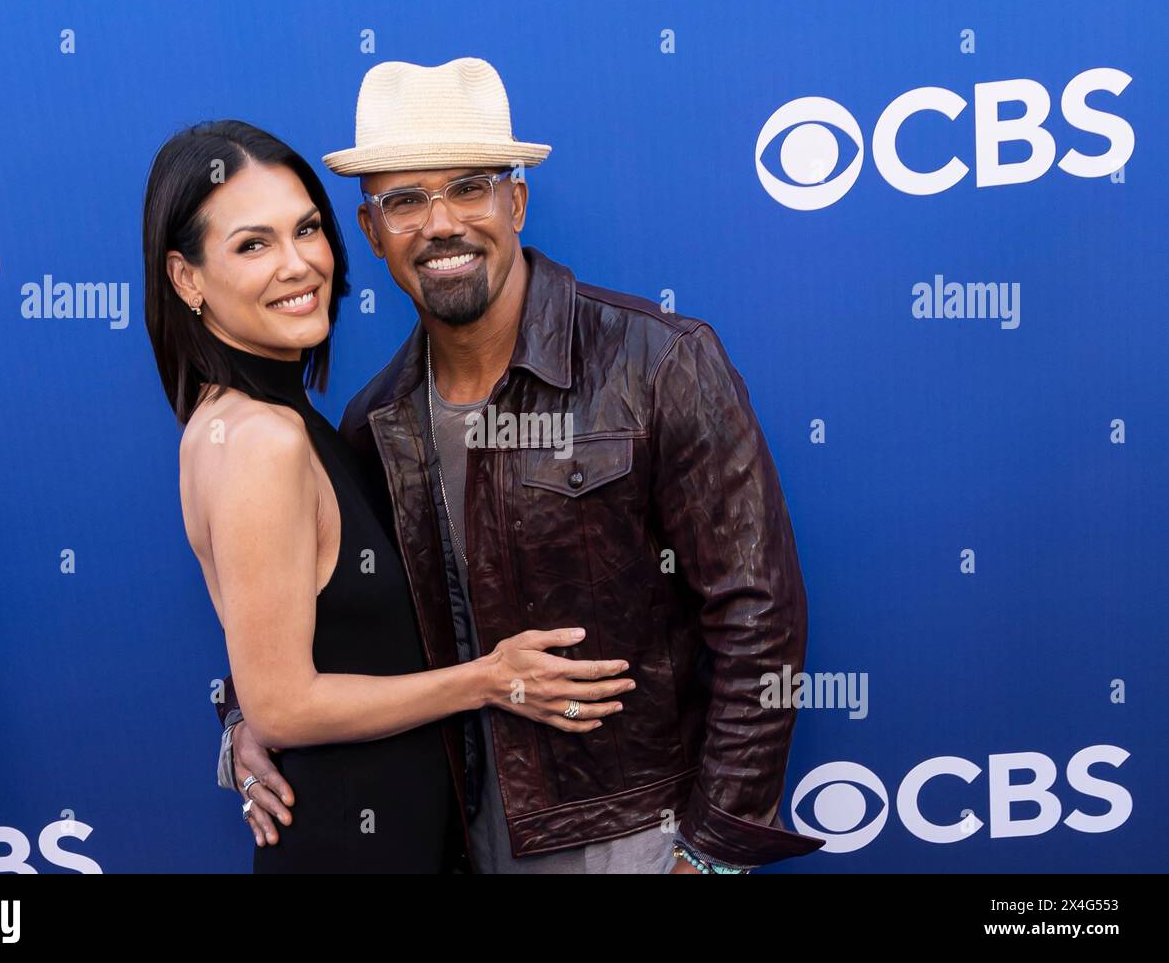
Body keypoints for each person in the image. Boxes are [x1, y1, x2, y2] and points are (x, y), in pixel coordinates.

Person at [219, 57, 826, 874]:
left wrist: (712, 853)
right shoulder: (377, 421)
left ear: (516, 200)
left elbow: (761, 617)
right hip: (452, 841)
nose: (441, 224)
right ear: (371, 233)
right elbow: (333, 608)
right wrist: (246, 712)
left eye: (469, 187)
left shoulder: (658, 361)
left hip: (640, 835)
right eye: (404, 200)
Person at [142, 119, 635, 872]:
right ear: (186, 278)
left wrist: (241, 716)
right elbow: (284, 703)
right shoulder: (257, 441)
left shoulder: (289, 423)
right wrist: (491, 679)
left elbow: (278, 653)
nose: (298, 263)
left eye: (306, 228)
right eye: (252, 244)